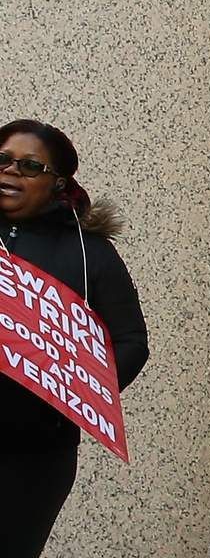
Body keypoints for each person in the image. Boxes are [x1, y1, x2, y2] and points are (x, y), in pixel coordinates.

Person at [0, 119, 149, 558]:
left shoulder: (91, 254)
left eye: (29, 166)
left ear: (58, 184)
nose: (10, 172)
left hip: (36, 454)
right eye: (3, 160)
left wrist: (76, 394)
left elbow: (131, 341)